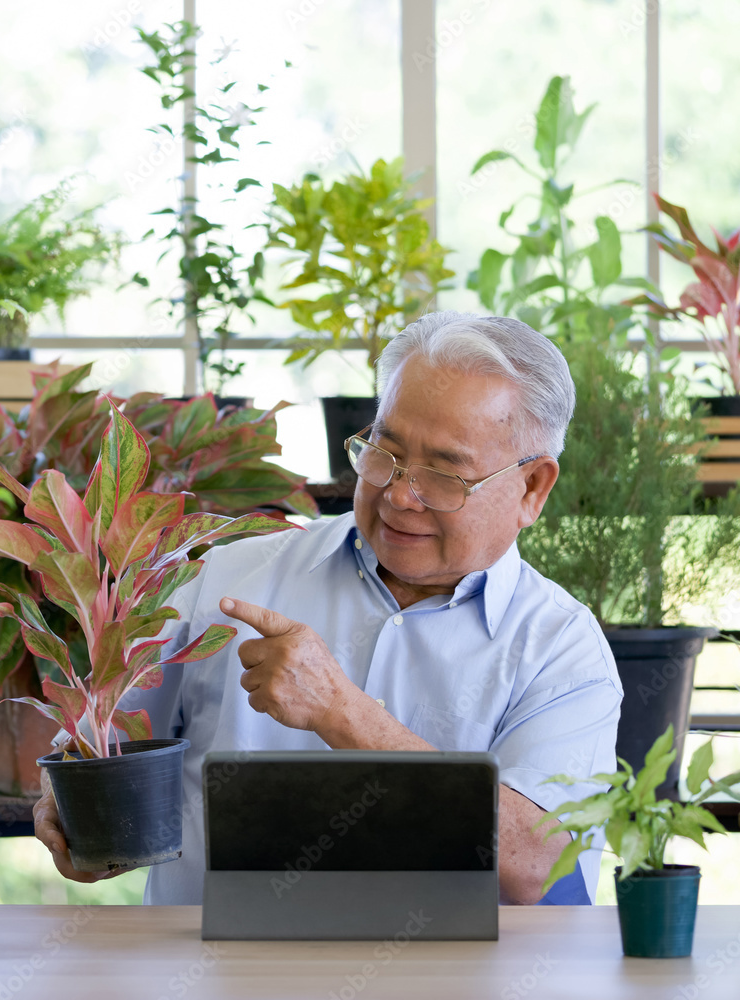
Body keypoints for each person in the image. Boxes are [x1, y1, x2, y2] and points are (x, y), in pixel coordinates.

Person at [33, 311, 622, 905]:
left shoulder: (562, 650)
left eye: (443, 474)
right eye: (384, 453)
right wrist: (70, 797)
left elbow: (538, 866)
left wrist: (346, 716)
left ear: (532, 489)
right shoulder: (228, 579)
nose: (397, 494)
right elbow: (104, 744)